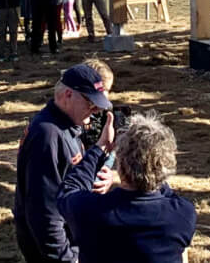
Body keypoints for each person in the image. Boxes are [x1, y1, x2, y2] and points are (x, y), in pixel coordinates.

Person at [57, 111, 197, 263]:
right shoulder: (183, 214)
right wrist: (154, 171)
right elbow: (165, 191)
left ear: (121, 165)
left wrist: (100, 147)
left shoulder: (90, 212)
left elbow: (68, 189)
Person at [13, 63, 113, 263]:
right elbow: (43, 212)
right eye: (90, 104)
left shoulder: (68, 125)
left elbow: (71, 176)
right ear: (68, 95)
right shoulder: (48, 135)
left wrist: (100, 168)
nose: (94, 111)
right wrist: (66, 258)